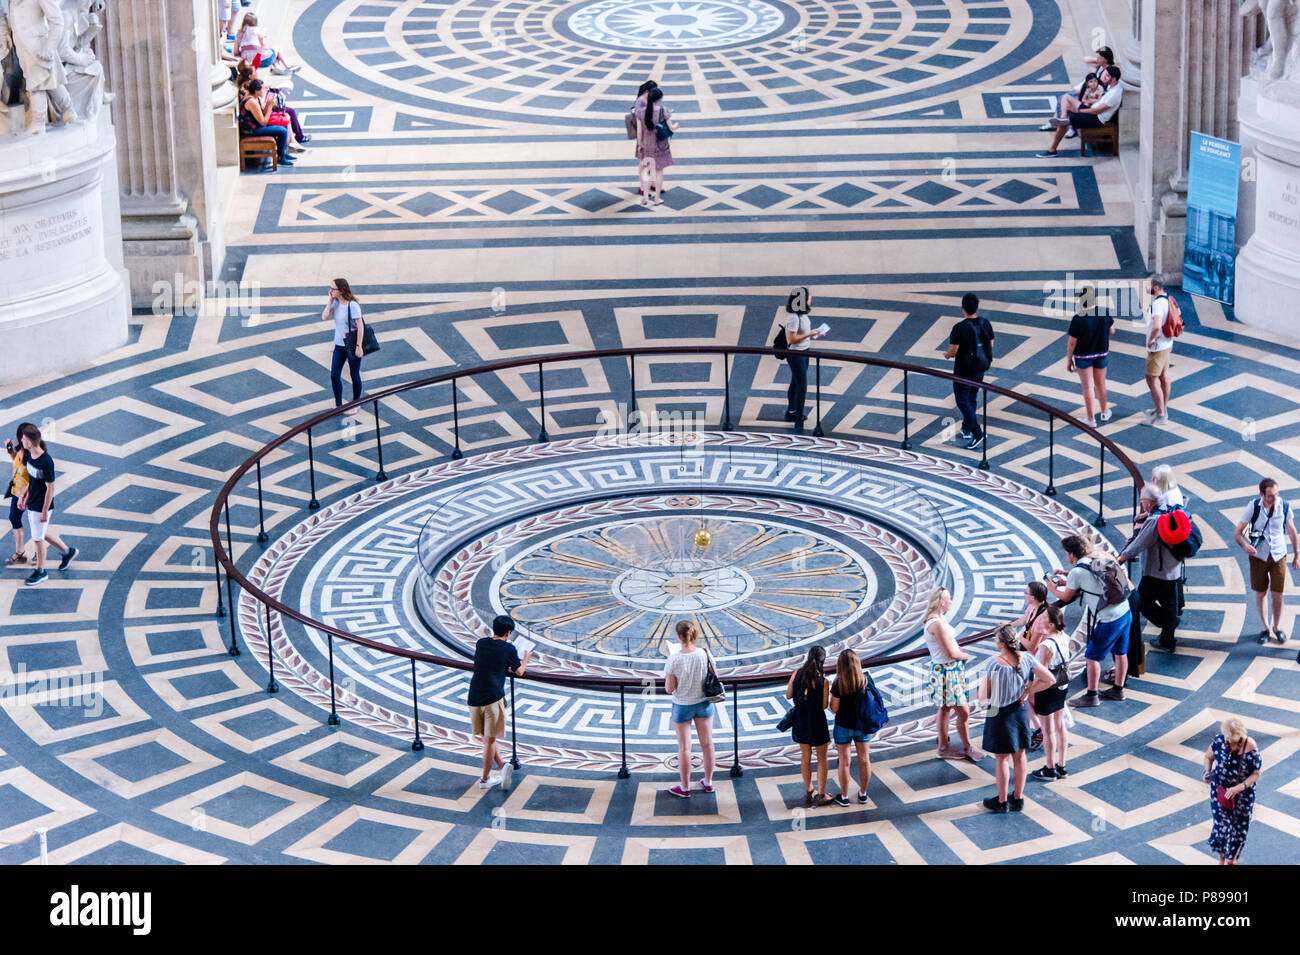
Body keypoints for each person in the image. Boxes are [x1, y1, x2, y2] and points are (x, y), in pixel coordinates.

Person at [1045, 534, 1132, 706]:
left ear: (1071, 554)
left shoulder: (1077, 572)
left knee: (1092, 657)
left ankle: (1091, 696)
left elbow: (1066, 596)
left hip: (1109, 619)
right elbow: (1093, 576)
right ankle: (1118, 690)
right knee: (1121, 653)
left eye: (1066, 553)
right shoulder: (1097, 557)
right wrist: (1067, 576)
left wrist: (1053, 589)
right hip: (1125, 610)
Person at [978, 625, 1055, 812]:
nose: (995, 641)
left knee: (1001, 758)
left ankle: (1002, 801)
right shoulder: (1027, 658)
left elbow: (982, 698)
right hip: (1020, 712)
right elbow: (1050, 679)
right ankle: (1018, 798)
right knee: (1020, 756)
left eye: (996, 638)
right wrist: (1029, 690)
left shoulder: (995, 664)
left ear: (1002, 643)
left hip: (999, 714)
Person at [1119, 483, 1186, 653]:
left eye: (1143, 501)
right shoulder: (1170, 509)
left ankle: (1168, 624)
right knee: (1169, 603)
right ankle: (1167, 640)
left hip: (1156, 572)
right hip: (1174, 569)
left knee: (1140, 601)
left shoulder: (1155, 520)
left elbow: (1141, 543)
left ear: (1148, 502)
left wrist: (1121, 557)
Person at [466, 614, 530, 790]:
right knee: (489, 741)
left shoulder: (481, 643)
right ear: (509, 632)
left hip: (474, 695)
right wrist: (525, 659)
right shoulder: (508, 649)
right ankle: (485, 779)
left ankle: (502, 768)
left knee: (487, 738)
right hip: (493, 698)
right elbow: (519, 672)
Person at [1235, 478, 1299, 644]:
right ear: (1261, 494)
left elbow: (1292, 532)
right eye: (1270, 495)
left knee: (1277, 594)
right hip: (1258, 557)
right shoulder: (1253, 507)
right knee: (1261, 593)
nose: (1274, 498)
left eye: (1276, 494)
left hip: (1279, 555)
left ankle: (1276, 627)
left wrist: (1297, 554)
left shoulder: (1283, 506)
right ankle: (1265, 628)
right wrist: (1245, 546)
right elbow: (1237, 532)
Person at [922, 587, 981, 760]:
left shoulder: (938, 619)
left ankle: (945, 746)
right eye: (949, 599)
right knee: (964, 711)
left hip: (948, 670)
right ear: (941, 602)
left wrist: (958, 652)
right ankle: (963, 746)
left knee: (945, 708)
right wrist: (965, 656)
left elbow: (949, 643)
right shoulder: (937, 623)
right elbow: (951, 653)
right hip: (947, 670)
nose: (951, 602)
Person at [15, 424, 76, 586]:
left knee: (38, 539)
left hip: (42, 506)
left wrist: (43, 511)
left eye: (23, 438)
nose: (21, 440)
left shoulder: (46, 461)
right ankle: (67, 552)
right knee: (43, 532)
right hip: (32, 502)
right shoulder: (29, 455)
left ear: (29, 441)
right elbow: (32, 480)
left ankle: (41, 571)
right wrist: (23, 496)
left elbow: (51, 488)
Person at [663, 620, 717, 798]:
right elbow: (714, 676)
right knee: (708, 744)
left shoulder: (674, 658)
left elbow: (670, 689)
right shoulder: (705, 653)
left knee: (684, 748)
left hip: (682, 705)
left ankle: (685, 787)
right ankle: (708, 782)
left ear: (679, 637)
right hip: (703, 703)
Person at [1203, 717, 1262, 864]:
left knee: (1238, 830)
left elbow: (1256, 773)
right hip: (1220, 793)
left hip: (1242, 797)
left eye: (1233, 740)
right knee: (1220, 827)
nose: (1229, 742)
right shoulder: (1219, 741)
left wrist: (1239, 787)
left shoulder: (1249, 746)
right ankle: (1221, 860)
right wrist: (1206, 771)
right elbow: (1207, 757)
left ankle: (1231, 860)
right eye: (1228, 739)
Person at [943, 292, 994, 451]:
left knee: (962, 400)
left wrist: (947, 355)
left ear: (962, 308)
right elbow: (990, 344)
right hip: (980, 367)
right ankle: (966, 428)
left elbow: (954, 350)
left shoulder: (959, 328)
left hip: (963, 370)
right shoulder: (985, 323)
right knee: (972, 396)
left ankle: (977, 433)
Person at [1038, 64, 1123, 157]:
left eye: (1107, 76)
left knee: (1064, 123)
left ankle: (1052, 150)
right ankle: (1063, 117)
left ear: (1114, 79)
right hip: (1091, 109)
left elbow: (1097, 111)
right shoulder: (1112, 87)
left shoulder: (1114, 94)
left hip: (1095, 119)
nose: (1104, 77)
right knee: (1066, 97)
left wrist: (1078, 110)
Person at [785, 645, 832, 807]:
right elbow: (824, 705)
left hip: (800, 720)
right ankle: (822, 794)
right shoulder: (823, 682)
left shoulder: (796, 673)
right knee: (822, 759)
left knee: (805, 757)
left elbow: (788, 695)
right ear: (823, 660)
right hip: (817, 722)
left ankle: (809, 788)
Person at [1029, 606, 1070, 780]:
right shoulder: (1064, 637)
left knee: (1047, 730)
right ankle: (1061, 766)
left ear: (1052, 624)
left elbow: (1043, 674)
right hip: (1062, 685)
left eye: (1044, 617)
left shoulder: (1046, 645)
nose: (1042, 619)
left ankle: (1049, 768)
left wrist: (1029, 690)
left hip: (1048, 688)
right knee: (1059, 725)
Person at [1064, 285, 1113, 426]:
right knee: (1100, 384)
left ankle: (1091, 419)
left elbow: (1072, 343)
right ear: (1094, 299)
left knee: (1088, 387)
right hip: (1102, 353)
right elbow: (1112, 330)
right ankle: (1104, 412)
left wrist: (1069, 359)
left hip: (1084, 357)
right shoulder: (1104, 313)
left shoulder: (1078, 318)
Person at [829, 649, 871, 806]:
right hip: (862, 725)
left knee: (844, 762)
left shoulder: (838, 683)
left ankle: (844, 797)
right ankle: (863, 794)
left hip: (843, 726)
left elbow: (834, 708)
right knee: (864, 759)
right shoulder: (865, 680)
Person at [782, 286, 825, 432]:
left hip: (805, 352)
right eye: (808, 297)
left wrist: (814, 334)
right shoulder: (793, 317)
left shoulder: (803, 315)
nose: (810, 299)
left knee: (795, 382)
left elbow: (803, 333)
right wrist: (808, 335)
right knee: (802, 385)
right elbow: (792, 339)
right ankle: (798, 417)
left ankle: (791, 412)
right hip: (796, 355)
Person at [321, 279, 365, 416]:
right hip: (339, 345)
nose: (331, 291)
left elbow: (360, 326)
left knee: (354, 374)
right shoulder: (335, 302)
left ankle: (356, 402)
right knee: (334, 374)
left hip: (351, 345)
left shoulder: (352, 305)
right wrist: (329, 300)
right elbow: (324, 317)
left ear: (341, 290)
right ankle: (338, 405)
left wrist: (359, 346)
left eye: (333, 289)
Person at [1016, 581, 1051, 748]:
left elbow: (1031, 645)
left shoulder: (1042, 618)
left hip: (1034, 663)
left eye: (1026, 593)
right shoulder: (1032, 609)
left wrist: (1015, 637)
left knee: (1030, 697)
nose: (1025, 595)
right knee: (1028, 697)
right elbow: (1024, 620)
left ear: (1034, 597)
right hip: (1027, 660)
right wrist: (1009, 625)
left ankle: (1041, 730)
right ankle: (1040, 729)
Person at [633, 83, 677, 206]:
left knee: (645, 170)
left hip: (646, 144)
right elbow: (671, 128)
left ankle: (646, 197)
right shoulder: (663, 111)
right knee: (658, 172)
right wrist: (676, 126)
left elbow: (639, 131)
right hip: (660, 146)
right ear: (659, 99)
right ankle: (657, 199)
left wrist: (640, 145)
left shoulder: (641, 112)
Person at [239, 79, 294, 167]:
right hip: (252, 130)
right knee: (283, 131)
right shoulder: (252, 102)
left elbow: (261, 114)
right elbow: (263, 122)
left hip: (256, 125)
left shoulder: (256, 98)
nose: (266, 91)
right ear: (257, 91)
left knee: (284, 124)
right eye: (264, 89)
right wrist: (270, 108)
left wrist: (268, 104)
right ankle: (281, 158)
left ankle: (282, 152)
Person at [1142, 273, 1174, 426]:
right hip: (1167, 344)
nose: (1146, 287)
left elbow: (1156, 325)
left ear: (1155, 287)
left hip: (1158, 347)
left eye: (1148, 285)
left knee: (1151, 379)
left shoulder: (1157, 304)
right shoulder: (1168, 299)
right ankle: (1162, 408)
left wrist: (1151, 339)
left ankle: (1161, 415)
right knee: (1163, 376)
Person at [234, 12, 300, 75]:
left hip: (249, 62)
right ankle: (287, 66)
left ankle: (277, 66)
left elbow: (236, 52)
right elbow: (265, 47)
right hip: (264, 60)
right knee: (276, 48)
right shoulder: (259, 31)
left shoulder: (239, 33)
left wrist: (244, 52)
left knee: (272, 53)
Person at [5, 427, 29, 568]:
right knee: (14, 518)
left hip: (29, 494)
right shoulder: (21, 450)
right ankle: (20, 552)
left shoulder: (34, 455)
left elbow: (34, 478)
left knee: (39, 524)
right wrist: (11, 451)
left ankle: (64, 550)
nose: (21, 440)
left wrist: (24, 497)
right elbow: (17, 460)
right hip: (17, 491)